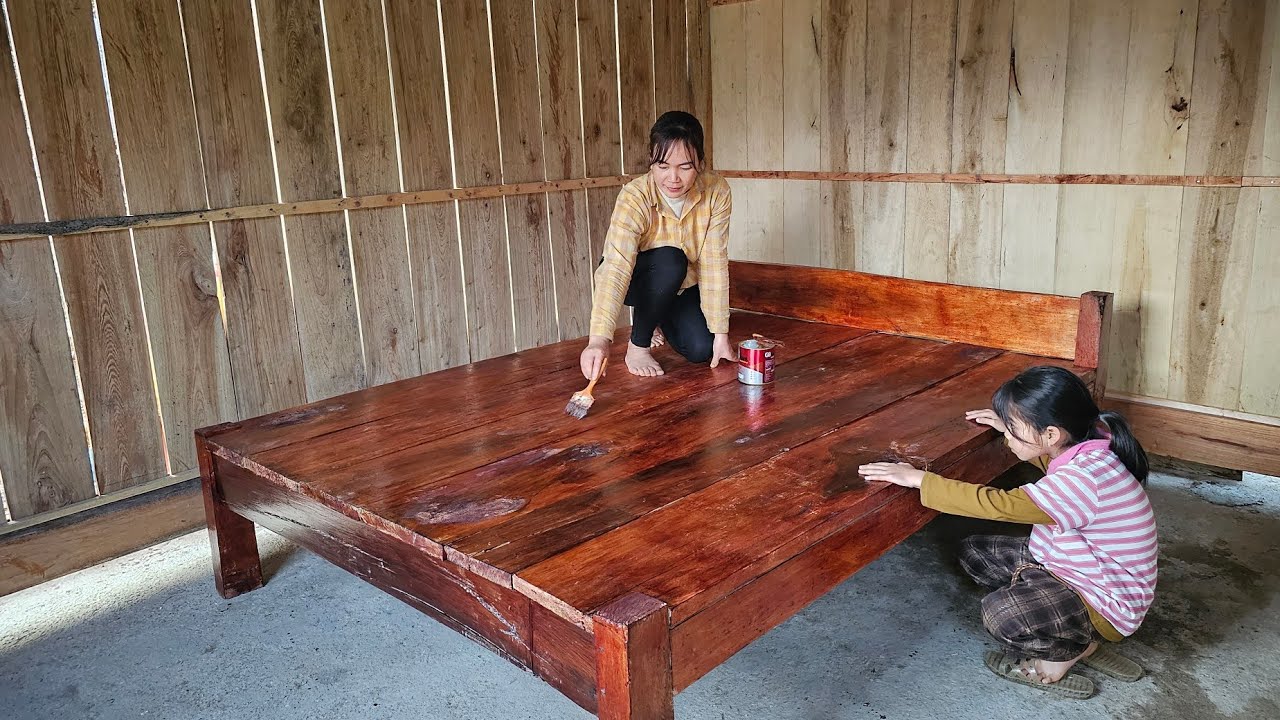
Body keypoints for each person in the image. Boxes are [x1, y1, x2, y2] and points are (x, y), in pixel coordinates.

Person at [858, 366, 1157, 699]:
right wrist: (1010, 424)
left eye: (1014, 430)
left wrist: (919, 480)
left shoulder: (1083, 482)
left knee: (1001, 615)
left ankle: (1072, 648)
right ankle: (1054, 615)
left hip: (1104, 601)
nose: (1009, 438)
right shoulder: (1092, 441)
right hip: (1075, 567)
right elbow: (1055, 467)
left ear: (1051, 435)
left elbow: (996, 504)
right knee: (975, 551)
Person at [579, 111, 737, 380]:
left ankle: (656, 316)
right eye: (663, 166)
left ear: (701, 162)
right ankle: (638, 346)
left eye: (685, 167)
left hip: (681, 283)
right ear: (651, 161)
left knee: (702, 349)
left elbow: (713, 263)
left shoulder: (717, 191)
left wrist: (721, 334)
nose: (673, 178)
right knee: (671, 259)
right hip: (636, 278)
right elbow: (616, 267)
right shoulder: (635, 196)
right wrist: (598, 341)